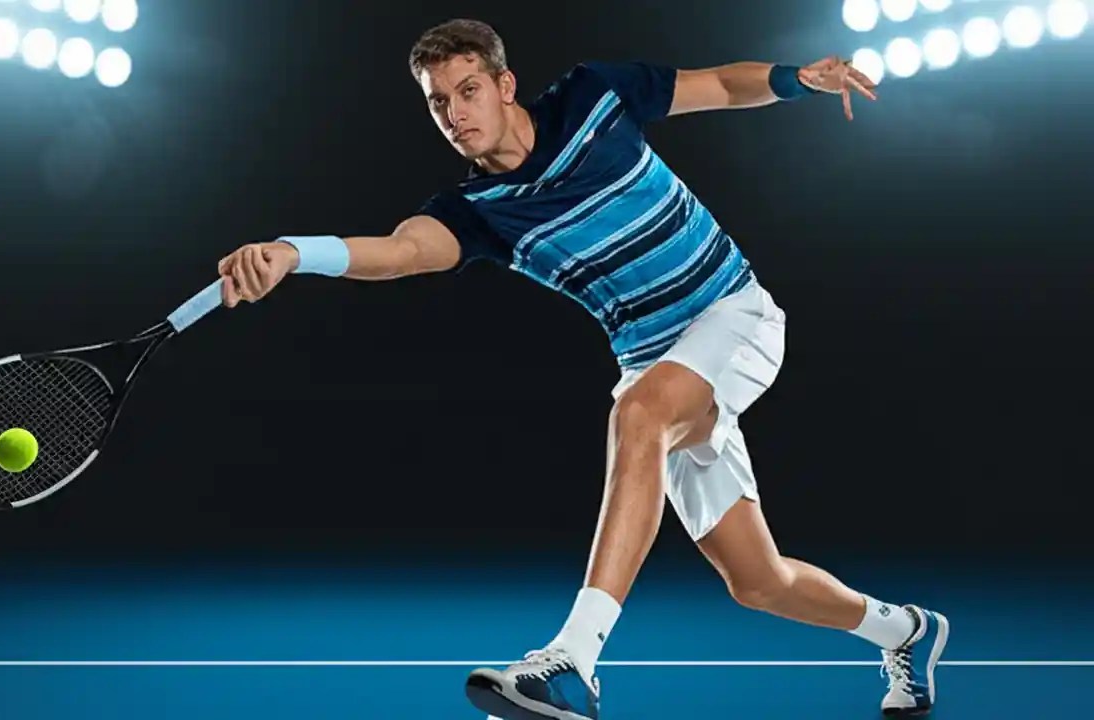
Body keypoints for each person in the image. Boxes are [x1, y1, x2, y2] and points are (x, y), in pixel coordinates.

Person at [215, 18, 949, 720]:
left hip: (731, 315)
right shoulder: (477, 210)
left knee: (639, 415)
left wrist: (795, 79)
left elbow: (722, 86)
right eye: (438, 103)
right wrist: (295, 252)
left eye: (468, 91)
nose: (455, 114)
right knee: (758, 580)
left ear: (505, 85)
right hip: (654, 363)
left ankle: (574, 660)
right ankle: (906, 631)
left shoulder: (593, 96)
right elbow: (402, 252)